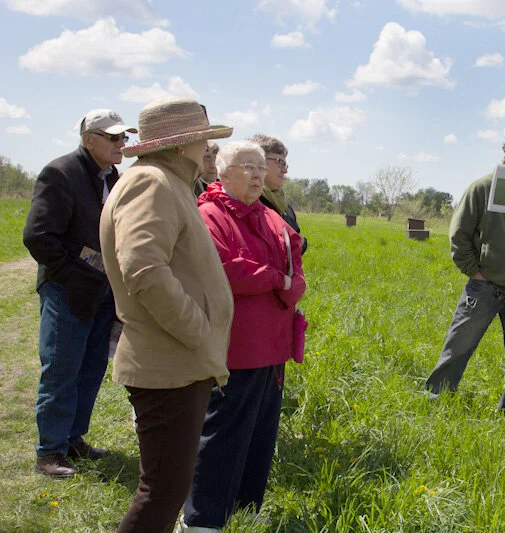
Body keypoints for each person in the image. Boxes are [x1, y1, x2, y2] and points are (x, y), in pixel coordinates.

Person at [99, 97, 235, 533]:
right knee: (161, 493)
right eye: (203, 141)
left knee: (166, 490)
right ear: (180, 145)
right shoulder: (152, 183)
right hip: (167, 363)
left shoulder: (166, 180)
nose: (208, 151)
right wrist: (197, 329)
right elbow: (143, 269)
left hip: (175, 361)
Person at [178, 141, 306, 532]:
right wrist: (274, 278)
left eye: (259, 167)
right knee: (223, 434)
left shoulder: (269, 216)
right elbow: (223, 269)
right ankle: (202, 519)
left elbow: (296, 261)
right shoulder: (209, 214)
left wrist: (284, 281)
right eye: (245, 167)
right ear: (223, 173)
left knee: (261, 432)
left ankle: (247, 508)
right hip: (236, 347)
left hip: (274, 346)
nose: (255, 174)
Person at [22, 109, 137, 478]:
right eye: (115, 138)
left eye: (125, 138)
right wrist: (74, 276)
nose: (123, 144)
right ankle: (49, 452)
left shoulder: (113, 177)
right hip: (68, 291)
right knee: (61, 368)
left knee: (90, 367)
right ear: (89, 139)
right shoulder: (61, 172)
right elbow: (38, 236)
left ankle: (73, 439)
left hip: (101, 292)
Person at [425, 136, 505, 413]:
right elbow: (459, 235)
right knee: (457, 347)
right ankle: (435, 402)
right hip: (485, 287)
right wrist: (474, 272)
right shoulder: (482, 188)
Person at [249, 134, 308, 254]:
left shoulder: (286, 208)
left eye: (285, 165)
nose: (285, 170)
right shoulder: (246, 203)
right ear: (259, 160)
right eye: (280, 163)